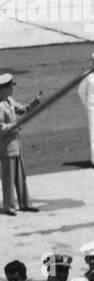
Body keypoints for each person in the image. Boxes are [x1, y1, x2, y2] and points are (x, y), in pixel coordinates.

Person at [0, 73, 40, 215]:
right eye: (11, 87)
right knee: (8, 179)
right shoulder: (0, 106)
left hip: (16, 145)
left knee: (21, 177)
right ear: (4, 89)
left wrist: (35, 101)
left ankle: (24, 203)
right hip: (6, 148)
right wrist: (14, 127)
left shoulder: (10, 100)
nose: (13, 89)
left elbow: (22, 110)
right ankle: (9, 206)